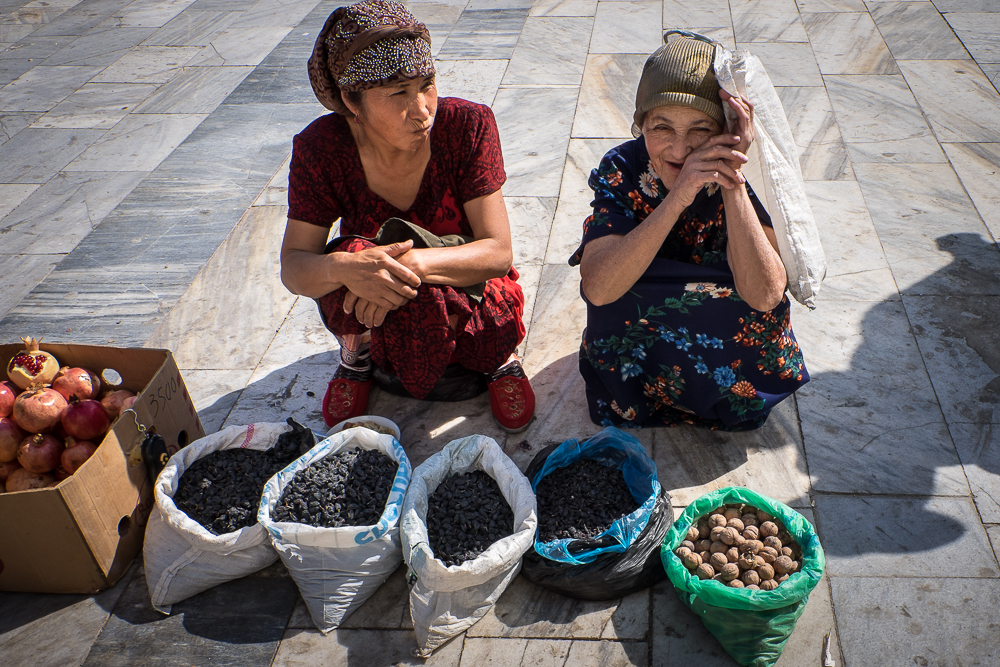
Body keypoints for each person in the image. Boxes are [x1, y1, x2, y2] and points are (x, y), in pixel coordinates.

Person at [279, 0, 534, 432]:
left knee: (480, 304)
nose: (422, 110)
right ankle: (358, 351)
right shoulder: (321, 148)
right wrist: (348, 267)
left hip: (460, 278)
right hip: (375, 297)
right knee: (351, 254)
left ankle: (496, 356)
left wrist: (412, 264)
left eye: (427, 84)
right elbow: (295, 268)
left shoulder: (467, 125)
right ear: (350, 100)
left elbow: (496, 252)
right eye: (398, 93)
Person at [570, 34, 809, 431]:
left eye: (700, 129)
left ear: (725, 129)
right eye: (661, 127)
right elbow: (598, 287)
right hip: (638, 382)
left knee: (752, 305)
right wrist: (677, 197)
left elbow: (764, 294)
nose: (679, 151)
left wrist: (731, 177)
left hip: (733, 384)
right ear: (641, 125)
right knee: (615, 290)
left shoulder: (750, 171)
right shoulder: (624, 166)